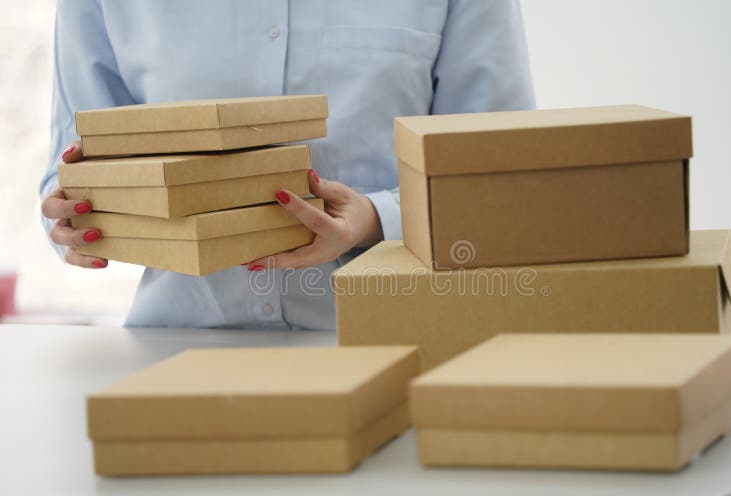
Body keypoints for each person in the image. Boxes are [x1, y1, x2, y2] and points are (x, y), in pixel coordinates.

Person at [39, 0, 534, 330]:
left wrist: (377, 219)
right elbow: (71, 166)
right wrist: (77, 215)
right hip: (178, 348)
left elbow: (503, 179)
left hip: (396, 347)